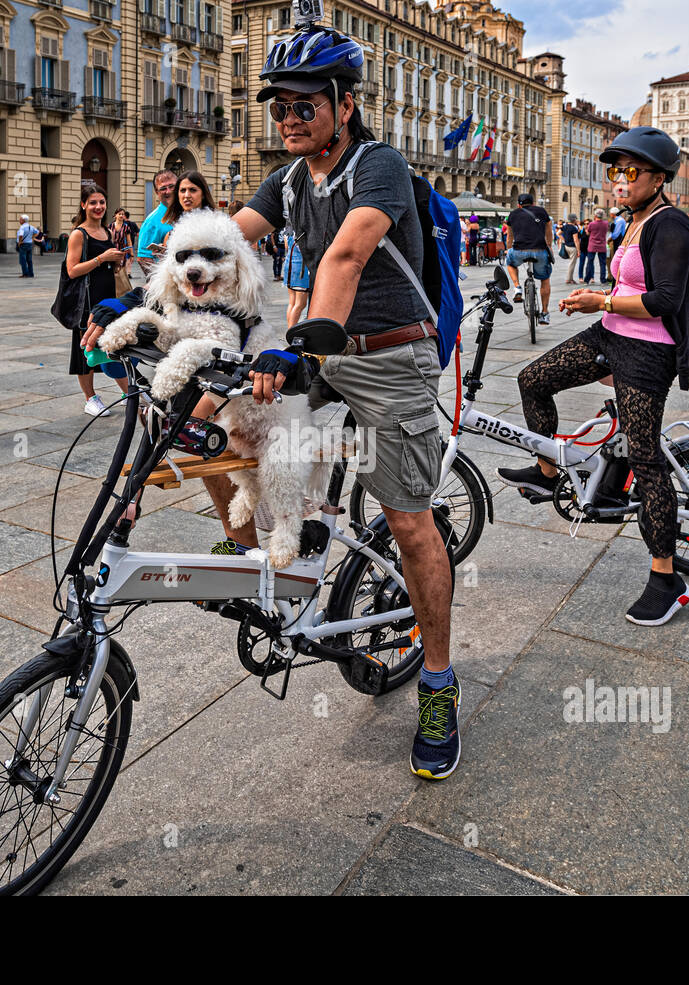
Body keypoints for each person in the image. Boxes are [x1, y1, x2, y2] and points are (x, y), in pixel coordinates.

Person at [87, 22, 458, 779]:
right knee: (209, 422)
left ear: (343, 105)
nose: (288, 117)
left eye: (304, 104)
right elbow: (219, 238)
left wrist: (305, 342)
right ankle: (270, 533)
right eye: (279, 106)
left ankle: (440, 680)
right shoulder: (288, 180)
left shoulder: (377, 165)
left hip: (390, 355)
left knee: (408, 518)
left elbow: (350, 253)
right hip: (316, 349)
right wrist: (137, 296)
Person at [500, 126, 689, 626]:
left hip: (647, 352)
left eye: (629, 171)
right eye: (615, 171)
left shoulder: (670, 225)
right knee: (533, 379)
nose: (618, 180)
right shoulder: (633, 220)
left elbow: (664, 301)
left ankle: (665, 578)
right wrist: (590, 302)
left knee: (645, 457)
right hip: (610, 334)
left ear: (658, 177)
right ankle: (548, 476)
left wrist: (602, 300)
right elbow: (628, 284)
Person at [65, 182, 126, 418]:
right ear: (83, 205)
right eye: (93, 203)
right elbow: (72, 270)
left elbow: (105, 266)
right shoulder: (78, 234)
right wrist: (102, 258)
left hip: (107, 299)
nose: (98, 206)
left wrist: (116, 261)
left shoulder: (107, 232)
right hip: (86, 303)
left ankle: (127, 392)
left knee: (114, 345)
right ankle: (90, 399)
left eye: (101, 202)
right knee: (86, 351)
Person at [503, 192, 553, 324]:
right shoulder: (541, 211)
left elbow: (509, 237)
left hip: (519, 250)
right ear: (533, 203)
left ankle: (517, 287)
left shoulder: (513, 214)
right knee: (545, 279)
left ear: (519, 205)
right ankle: (545, 313)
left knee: (510, 263)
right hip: (539, 251)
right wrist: (549, 245)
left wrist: (508, 250)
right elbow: (549, 231)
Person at [135, 168, 177, 275]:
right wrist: (162, 282)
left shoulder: (187, 211)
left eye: (172, 186)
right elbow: (143, 259)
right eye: (163, 188)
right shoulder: (151, 221)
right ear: (156, 192)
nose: (168, 191)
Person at [160, 171, 215, 246]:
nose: (187, 195)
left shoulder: (216, 227)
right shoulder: (171, 234)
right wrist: (162, 255)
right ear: (178, 195)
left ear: (203, 194)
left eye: (192, 190)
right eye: (183, 190)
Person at [283, 225, 311, 327]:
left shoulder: (288, 228)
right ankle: (291, 331)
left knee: (292, 302)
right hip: (300, 268)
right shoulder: (302, 229)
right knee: (300, 304)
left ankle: (289, 329)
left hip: (289, 265)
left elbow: (286, 246)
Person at [584, 208, 609, 284]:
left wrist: (586, 230)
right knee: (602, 263)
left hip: (592, 245)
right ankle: (603, 279)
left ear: (595, 215)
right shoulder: (606, 223)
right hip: (602, 245)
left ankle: (587, 279)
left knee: (590, 262)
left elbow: (588, 233)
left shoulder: (592, 224)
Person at [559, 214, 580, 283]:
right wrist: (578, 250)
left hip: (566, 246)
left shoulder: (565, 226)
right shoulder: (574, 228)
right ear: (574, 220)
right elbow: (576, 240)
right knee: (572, 264)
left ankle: (570, 278)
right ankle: (569, 279)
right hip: (572, 247)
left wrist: (563, 240)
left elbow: (558, 233)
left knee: (571, 263)